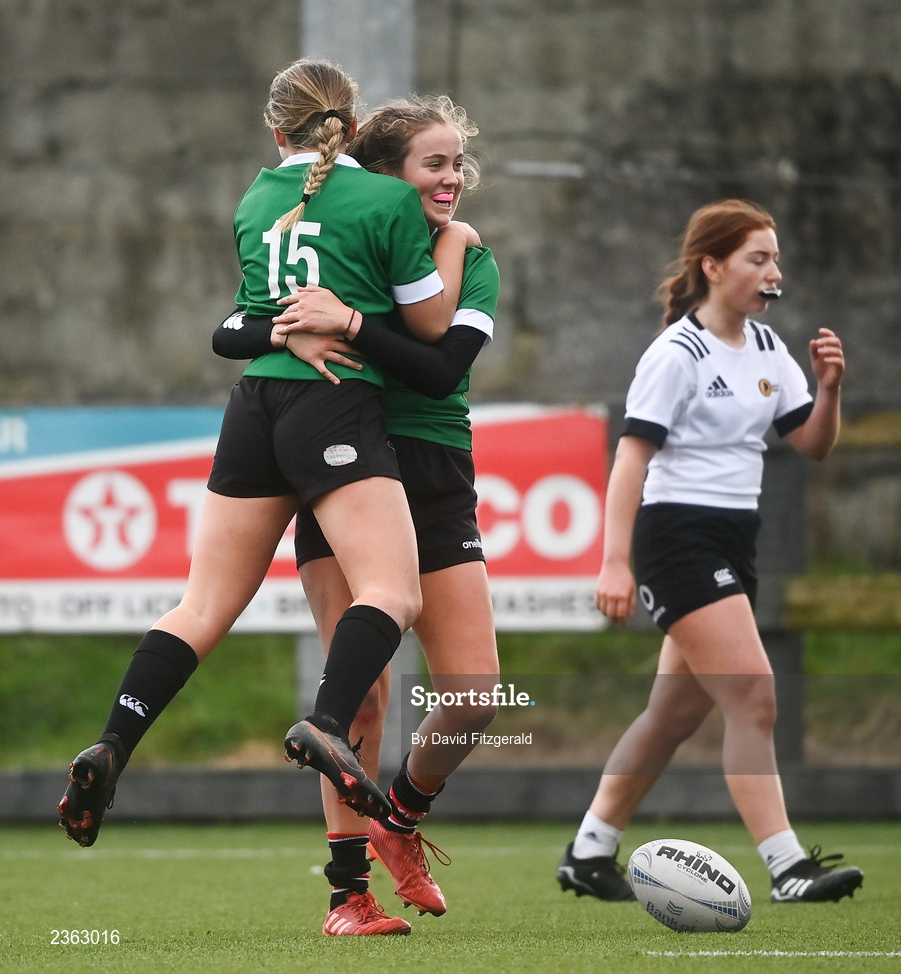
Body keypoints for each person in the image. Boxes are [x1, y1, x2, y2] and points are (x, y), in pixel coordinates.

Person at [58, 60, 474, 854]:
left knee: (202, 605)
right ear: (352, 129)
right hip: (332, 405)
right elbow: (430, 330)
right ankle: (325, 722)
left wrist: (282, 329)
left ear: (275, 130)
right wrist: (448, 249)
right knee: (392, 592)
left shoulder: (255, 199)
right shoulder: (387, 201)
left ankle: (113, 742)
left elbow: (240, 324)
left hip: (252, 406)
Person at [213, 96, 500, 936]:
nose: (450, 180)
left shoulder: (467, 255)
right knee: (363, 702)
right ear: (381, 174)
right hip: (341, 463)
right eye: (432, 164)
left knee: (476, 692)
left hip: (434, 470)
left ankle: (399, 818)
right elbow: (241, 328)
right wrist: (317, 321)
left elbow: (439, 372)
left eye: (456, 165)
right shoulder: (333, 243)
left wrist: (353, 324)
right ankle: (349, 898)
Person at [556, 199, 864, 906]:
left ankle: (589, 850)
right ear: (712, 266)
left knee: (672, 716)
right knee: (753, 695)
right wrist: (613, 561)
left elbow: (811, 446)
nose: (772, 273)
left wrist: (829, 391)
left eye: (774, 259)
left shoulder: (764, 348)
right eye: (757, 259)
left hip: (732, 539)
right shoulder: (676, 353)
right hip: (677, 537)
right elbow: (629, 461)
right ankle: (787, 866)